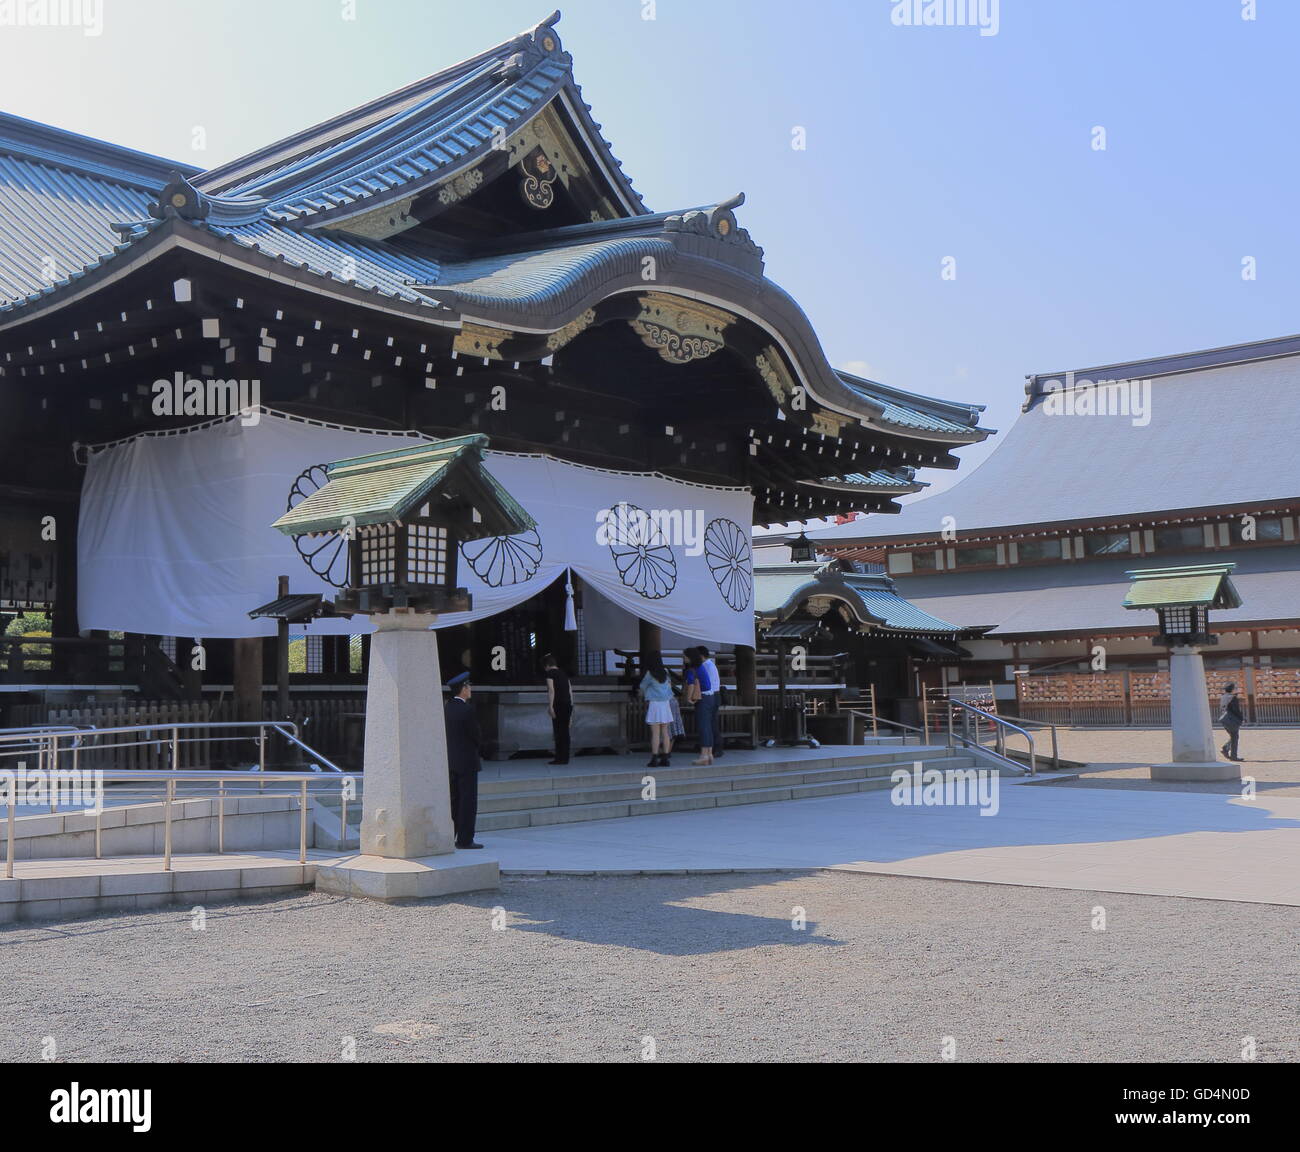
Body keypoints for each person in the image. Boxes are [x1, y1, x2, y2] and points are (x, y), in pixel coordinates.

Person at [444, 672, 483, 849]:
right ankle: (465, 839)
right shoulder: (467, 710)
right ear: (463, 689)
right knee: (468, 801)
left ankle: (449, 834)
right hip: (467, 761)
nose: (470, 689)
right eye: (468, 686)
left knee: (453, 799)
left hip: (450, 760)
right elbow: (476, 735)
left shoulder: (446, 708)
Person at [640, 659, 675, 767]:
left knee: (655, 733)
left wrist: (647, 693)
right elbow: (669, 685)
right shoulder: (665, 672)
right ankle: (666, 757)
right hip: (665, 703)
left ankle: (654, 758)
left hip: (655, 703)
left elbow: (642, 686)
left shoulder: (650, 673)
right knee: (665, 732)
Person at [692, 646, 722, 767]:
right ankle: (712, 750)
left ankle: (713, 749)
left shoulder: (706, 666)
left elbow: (704, 683)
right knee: (710, 723)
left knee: (708, 724)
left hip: (709, 694)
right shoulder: (710, 665)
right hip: (714, 694)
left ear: (701, 655)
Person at [543, 653, 573, 765]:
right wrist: (572, 707)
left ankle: (559, 758)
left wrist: (550, 706)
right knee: (565, 733)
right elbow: (570, 690)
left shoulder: (550, 674)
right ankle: (565, 758)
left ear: (546, 665)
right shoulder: (564, 673)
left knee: (558, 732)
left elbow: (551, 690)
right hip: (567, 704)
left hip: (558, 705)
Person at [1218, 682, 1244, 762]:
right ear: (1232, 689)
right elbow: (1236, 710)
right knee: (1234, 737)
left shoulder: (1223, 697)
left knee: (1233, 736)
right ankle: (1233, 755)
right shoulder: (1233, 697)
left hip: (1224, 719)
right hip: (1232, 719)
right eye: (1235, 688)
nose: (1236, 689)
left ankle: (1226, 749)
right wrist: (1241, 718)